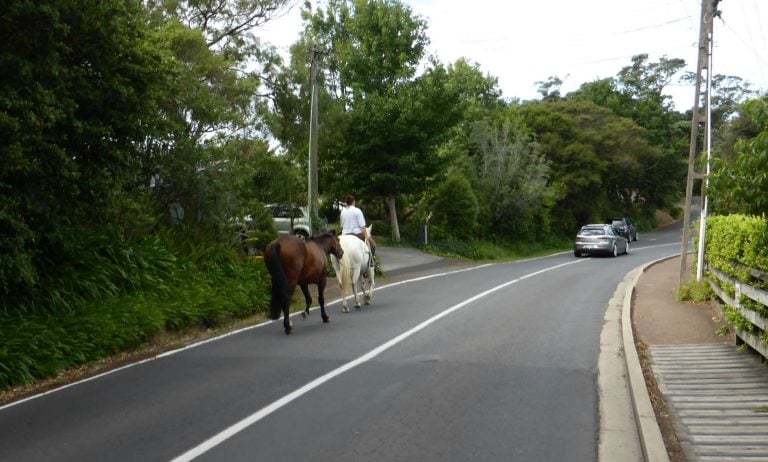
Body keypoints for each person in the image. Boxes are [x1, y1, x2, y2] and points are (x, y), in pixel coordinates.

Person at [340, 194, 376, 264]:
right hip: (357, 235)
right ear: (353, 202)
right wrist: (366, 235)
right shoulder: (357, 211)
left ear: (346, 202)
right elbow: (363, 226)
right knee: (373, 245)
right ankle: (371, 262)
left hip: (345, 235)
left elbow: (342, 226)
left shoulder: (343, 212)